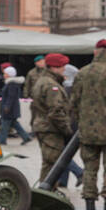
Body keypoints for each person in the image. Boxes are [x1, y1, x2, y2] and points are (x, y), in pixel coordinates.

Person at [70, 39, 106, 210]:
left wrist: (81, 121)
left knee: (89, 171)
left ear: (95, 53)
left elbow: (73, 103)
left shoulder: (82, 74)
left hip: (87, 132)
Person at [30, 52, 73, 188]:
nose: (64, 69)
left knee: (48, 163)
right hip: (50, 129)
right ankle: (46, 194)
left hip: (43, 127)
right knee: (52, 166)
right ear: (54, 67)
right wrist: (67, 130)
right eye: (62, 66)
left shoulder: (42, 80)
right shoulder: (51, 85)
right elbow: (55, 112)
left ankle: (46, 193)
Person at [0, 66, 33, 145]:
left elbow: (11, 97)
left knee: (4, 125)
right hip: (12, 109)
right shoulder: (10, 83)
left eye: (5, 73)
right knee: (15, 124)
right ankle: (26, 137)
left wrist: (7, 107)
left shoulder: (11, 84)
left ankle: (2, 141)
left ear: (9, 74)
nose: (4, 75)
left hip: (9, 109)